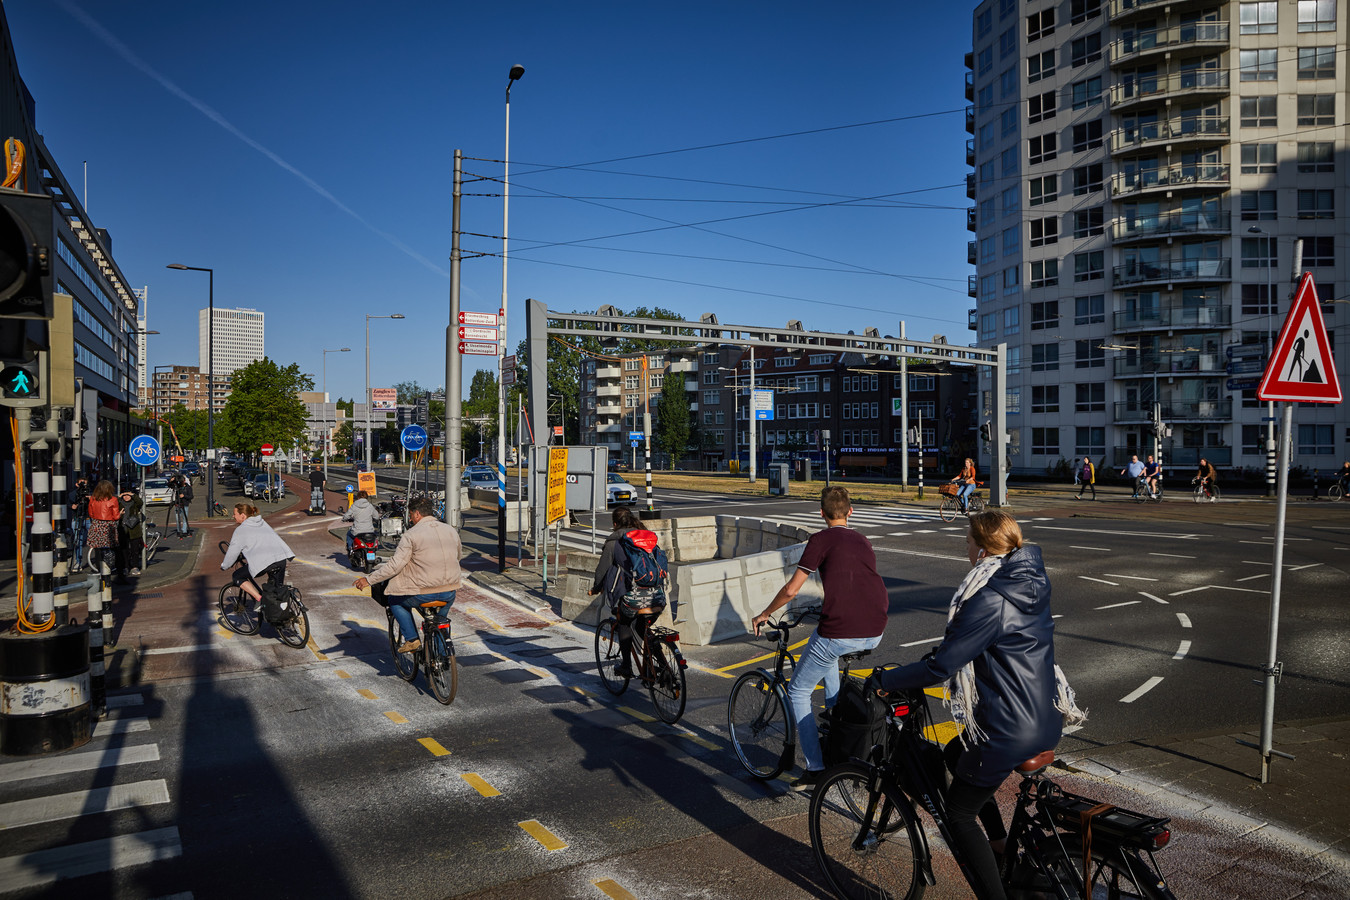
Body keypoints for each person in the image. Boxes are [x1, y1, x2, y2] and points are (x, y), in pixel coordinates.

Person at [874, 510, 1075, 900]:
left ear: (982, 550)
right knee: (954, 755)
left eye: (967, 542)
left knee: (959, 813)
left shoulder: (990, 597)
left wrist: (886, 680)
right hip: (1044, 717)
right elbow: (975, 643)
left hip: (1007, 729)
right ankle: (1000, 847)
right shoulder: (1028, 582)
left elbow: (944, 666)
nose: (965, 549)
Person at [751, 485, 888, 790]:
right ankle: (837, 739)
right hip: (876, 628)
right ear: (851, 511)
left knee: (798, 692)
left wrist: (764, 613)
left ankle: (815, 768)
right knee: (824, 653)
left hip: (842, 630)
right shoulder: (863, 540)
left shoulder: (820, 539)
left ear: (822, 513)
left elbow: (791, 590)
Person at [354, 496, 461, 653]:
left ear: (417, 514)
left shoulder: (411, 535)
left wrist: (369, 580)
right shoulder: (451, 530)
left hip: (423, 593)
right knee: (439, 621)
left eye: (410, 515)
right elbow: (458, 556)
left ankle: (412, 639)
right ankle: (442, 658)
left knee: (395, 601)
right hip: (449, 591)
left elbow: (395, 566)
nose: (410, 519)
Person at [588, 506, 651, 677]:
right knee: (643, 627)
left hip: (632, 595)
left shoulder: (614, 542)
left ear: (615, 524)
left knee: (624, 623)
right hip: (656, 593)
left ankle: (626, 666)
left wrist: (596, 588)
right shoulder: (645, 536)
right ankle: (660, 665)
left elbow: (602, 570)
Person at [221, 502, 295, 607]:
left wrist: (224, 566)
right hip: (281, 559)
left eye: (235, 514)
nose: (233, 516)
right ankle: (280, 618)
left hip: (265, 563)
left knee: (237, 576)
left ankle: (259, 599)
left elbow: (232, 553)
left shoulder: (240, 530)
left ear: (242, 515)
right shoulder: (262, 522)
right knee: (277, 592)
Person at [86, 480, 121, 579]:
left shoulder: (93, 499)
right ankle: (108, 569)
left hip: (97, 524)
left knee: (97, 548)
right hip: (108, 525)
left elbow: (91, 513)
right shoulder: (113, 499)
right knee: (110, 547)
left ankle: (99, 569)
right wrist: (120, 513)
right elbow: (116, 516)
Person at [342, 490, 379, 560]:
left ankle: (350, 549)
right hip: (369, 530)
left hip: (357, 531)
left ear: (358, 497)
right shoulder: (370, 506)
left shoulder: (354, 505)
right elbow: (376, 517)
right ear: (366, 497)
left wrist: (344, 519)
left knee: (349, 534)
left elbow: (347, 515)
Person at [118, 489, 145, 577]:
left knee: (135, 550)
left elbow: (140, 502)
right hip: (123, 530)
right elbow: (113, 503)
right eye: (124, 495)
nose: (126, 497)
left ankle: (135, 566)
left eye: (128, 495)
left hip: (134, 530)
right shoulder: (119, 504)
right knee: (124, 550)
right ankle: (125, 567)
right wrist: (119, 496)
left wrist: (132, 494)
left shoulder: (135, 504)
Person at [171, 473, 193, 538]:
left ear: (184, 481)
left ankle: (184, 531)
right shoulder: (178, 487)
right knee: (177, 519)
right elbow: (170, 485)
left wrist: (184, 496)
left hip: (185, 504)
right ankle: (178, 531)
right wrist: (171, 480)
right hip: (178, 504)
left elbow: (191, 496)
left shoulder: (188, 488)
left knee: (184, 518)